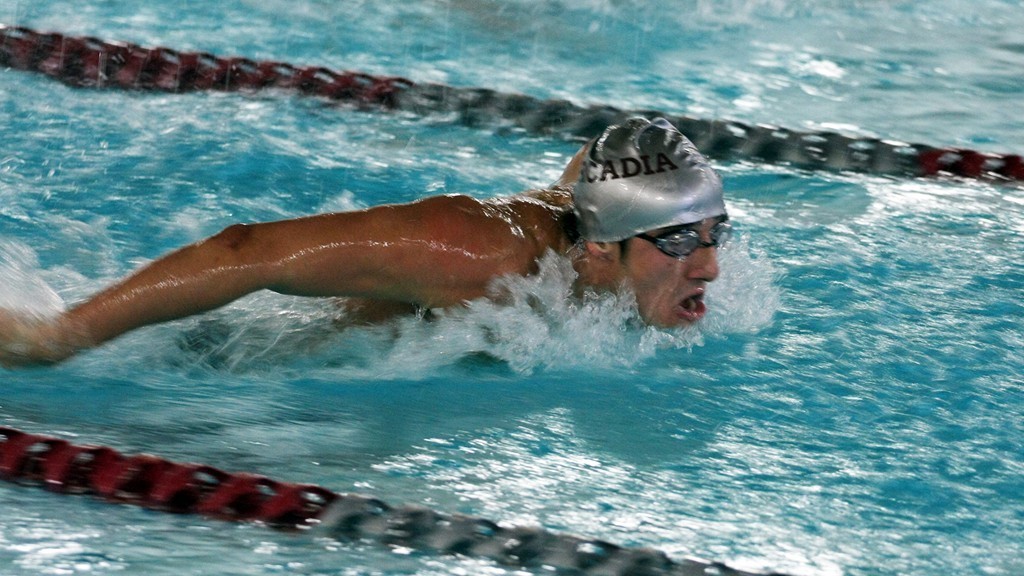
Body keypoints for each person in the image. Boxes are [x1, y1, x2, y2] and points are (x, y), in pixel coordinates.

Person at [0, 117, 731, 368]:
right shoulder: (479, 252)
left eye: (713, 232)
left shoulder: (605, 231)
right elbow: (247, 250)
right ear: (600, 249)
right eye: (677, 242)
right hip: (245, 372)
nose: (711, 265)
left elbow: (595, 156)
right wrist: (65, 336)